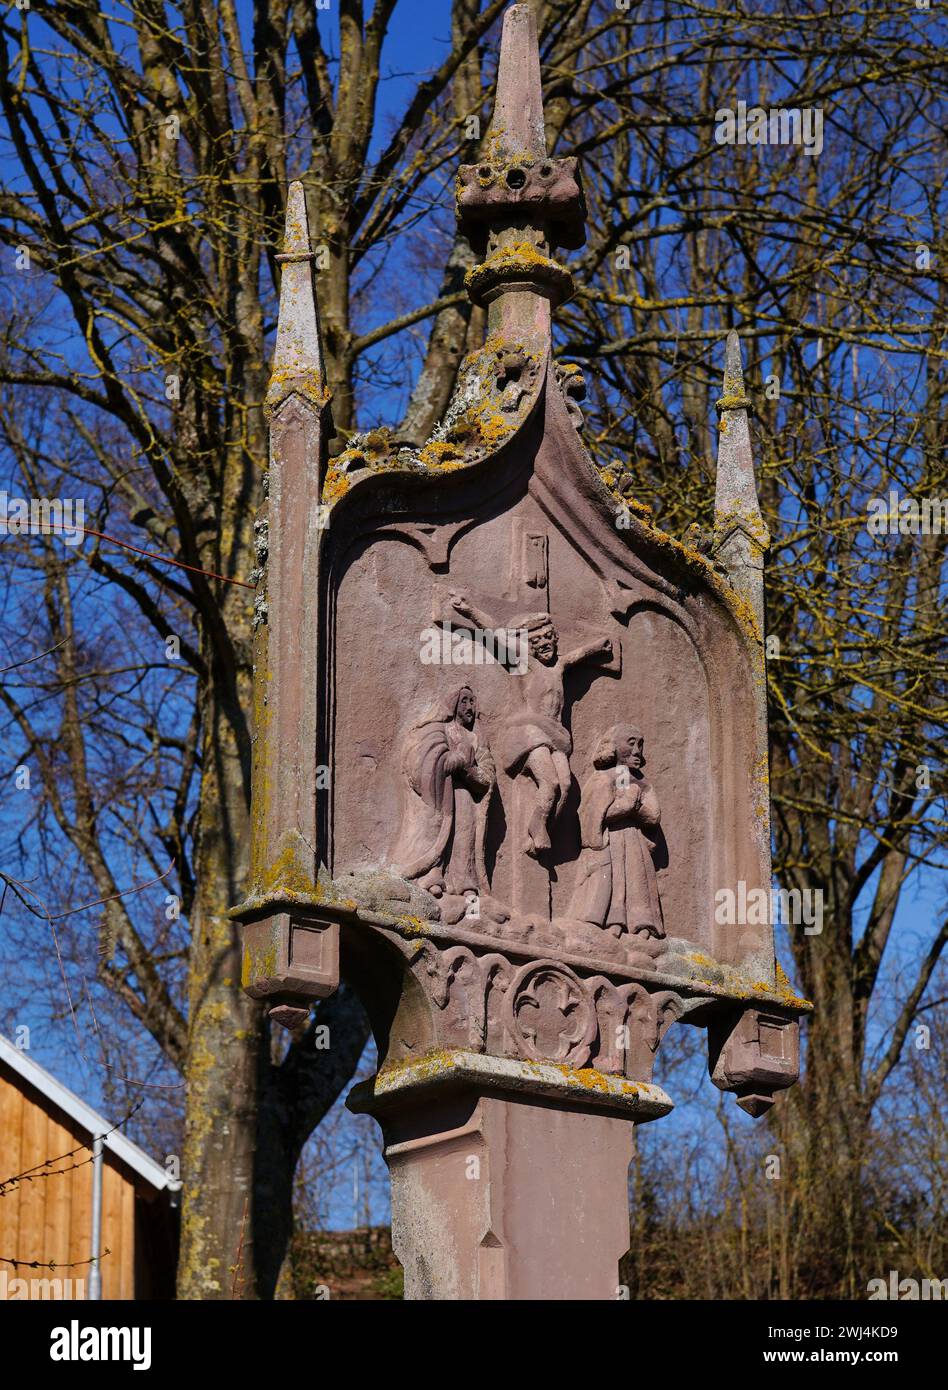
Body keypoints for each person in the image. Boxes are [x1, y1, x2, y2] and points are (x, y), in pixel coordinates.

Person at [447, 593, 611, 857]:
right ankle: (537, 829)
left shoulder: (557, 669)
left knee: (566, 786)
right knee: (551, 784)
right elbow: (496, 635)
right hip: (530, 733)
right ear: (530, 646)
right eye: (538, 641)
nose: (545, 644)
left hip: (555, 735)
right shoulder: (526, 665)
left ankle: (540, 828)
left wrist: (598, 647)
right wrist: (469, 611)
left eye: (549, 639)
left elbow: (576, 656)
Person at [390, 685, 494, 898]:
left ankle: (471, 906)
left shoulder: (476, 739)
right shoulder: (440, 730)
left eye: (473, 702)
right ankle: (434, 883)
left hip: (465, 801)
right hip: (440, 799)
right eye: (464, 701)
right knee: (438, 839)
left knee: (465, 848)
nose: (470, 707)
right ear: (453, 703)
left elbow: (487, 777)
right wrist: (453, 761)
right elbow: (426, 762)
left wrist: (469, 770)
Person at [566, 724, 664, 941]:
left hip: (635, 844)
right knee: (613, 880)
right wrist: (629, 804)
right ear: (613, 747)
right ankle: (612, 924)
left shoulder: (641, 782)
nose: (637, 750)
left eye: (640, 744)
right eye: (631, 743)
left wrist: (632, 803)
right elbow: (594, 815)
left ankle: (641, 926)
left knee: (637, 882)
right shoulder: (603, 778)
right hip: (611, 842)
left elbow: (654, 815)